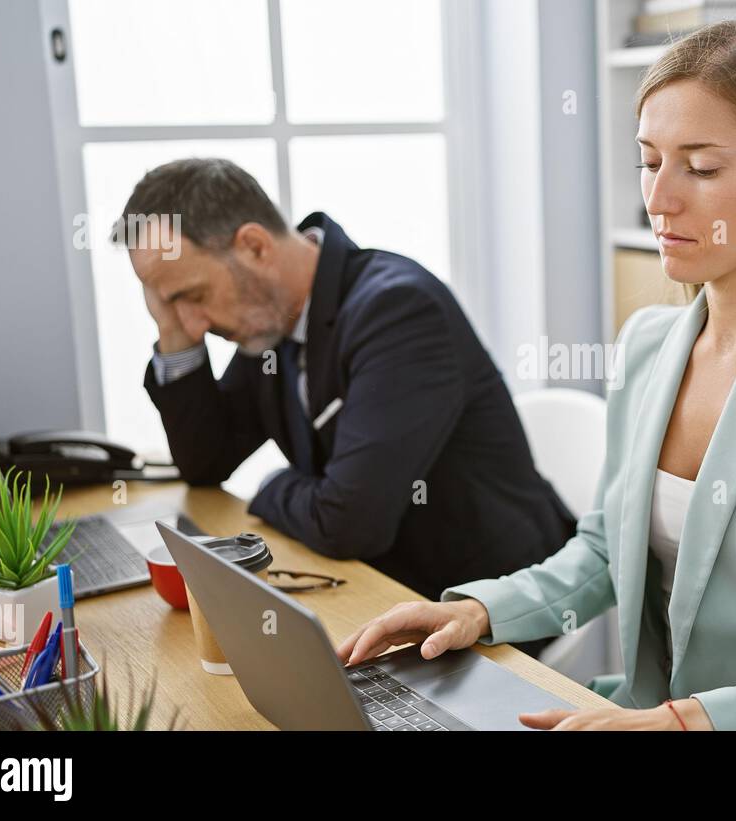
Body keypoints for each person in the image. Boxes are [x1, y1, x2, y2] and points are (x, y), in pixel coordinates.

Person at [338, 19, 736, 730]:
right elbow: (604, 550)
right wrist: (478, 610)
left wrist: (685, 721)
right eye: (649, 160)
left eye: (701, 167)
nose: (659, 199)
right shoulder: (647, 345)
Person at [118, 159, 575, 662]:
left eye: (193, 296)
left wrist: (271, 487)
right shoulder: (266, 323)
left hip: (482, 607)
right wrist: (173, 334)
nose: (194, 323)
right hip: (378, 589)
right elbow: (206, 463)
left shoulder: (398, 310)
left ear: (254, 246)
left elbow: (349, 522)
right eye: (168, 303)